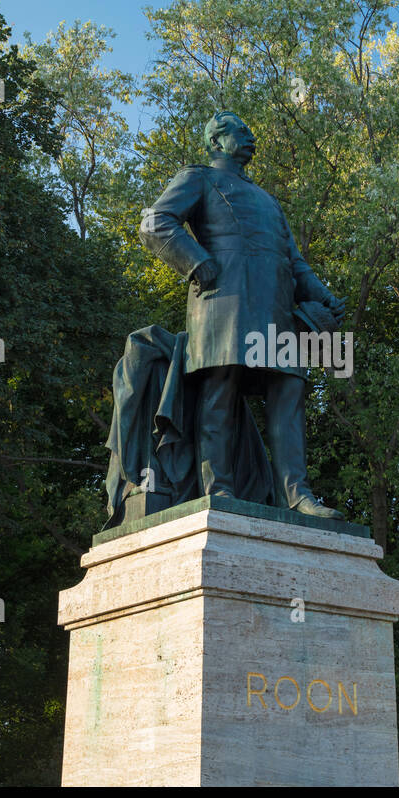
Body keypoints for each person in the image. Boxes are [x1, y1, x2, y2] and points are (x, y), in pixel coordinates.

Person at [139, 110, 346, 519]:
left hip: (277, 307)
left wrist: (325, 298)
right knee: (221, 392)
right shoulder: (198, 177)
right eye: (240, 130)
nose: (251, 135)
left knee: (289, 393)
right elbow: (154, 222)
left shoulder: (269, 200)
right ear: (217, 142)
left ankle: (298, 495)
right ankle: (222, 489)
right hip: (224, 303)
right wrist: (195, 261)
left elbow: (295, 261)